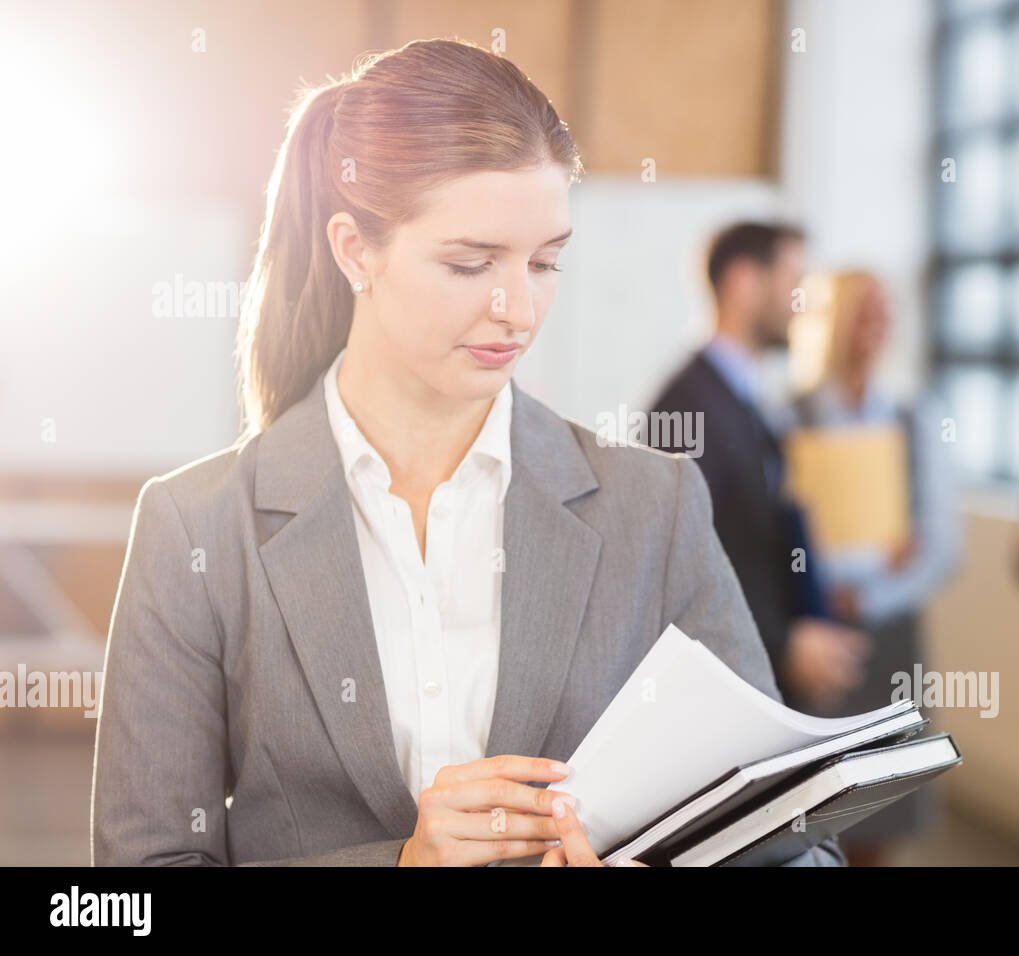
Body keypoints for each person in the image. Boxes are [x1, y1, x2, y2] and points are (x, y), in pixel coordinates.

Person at [90, 39, 845, 868]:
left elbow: (799, 847)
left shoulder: (653, 506)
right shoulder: (195, 529)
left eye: (546, 261)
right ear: (354, 251)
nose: (517, 310)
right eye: (470, 262)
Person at [650, 223, 871, 717]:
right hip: (725, 694)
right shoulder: (686, 406)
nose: (805, 303)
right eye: (796, 282)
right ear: (745, 283)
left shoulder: (750, 397)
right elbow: (678, 559)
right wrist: (781, 642)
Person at [792, 270, 962, 865]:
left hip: (888, 641)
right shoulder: (788, 415)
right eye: (862, 309)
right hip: (811, 645)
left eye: (885, 311)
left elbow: (940, 549)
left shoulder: (916, 418)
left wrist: (865, 597)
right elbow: (778, 534)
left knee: (879, 824)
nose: (876, 325)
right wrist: (833, 583)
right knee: (807, 821)